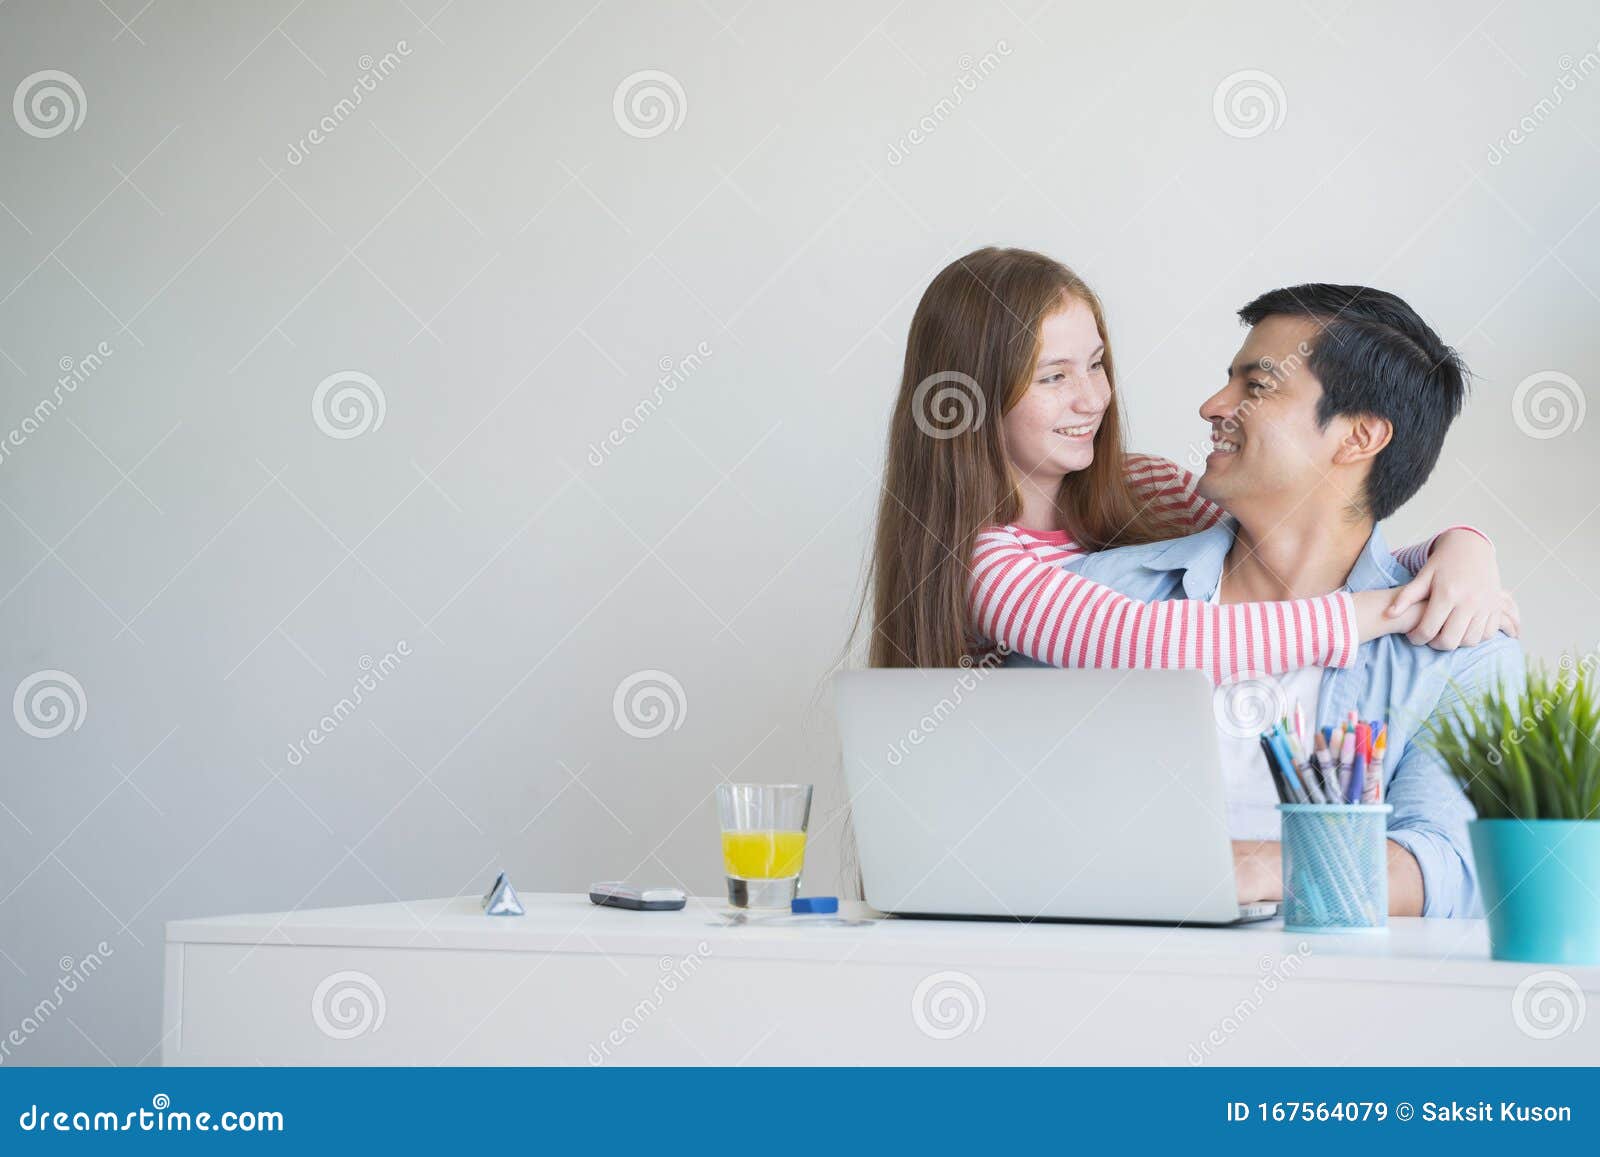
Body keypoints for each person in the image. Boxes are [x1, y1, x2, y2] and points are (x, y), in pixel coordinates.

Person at [1027, 282, 1525, 916]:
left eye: (1255, 386)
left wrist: (1256, 865)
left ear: (1358, 437)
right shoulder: (1095, 602)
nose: (1212, 405)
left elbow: (1450, 867)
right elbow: (1016, 817)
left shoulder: (1458, 648)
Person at [865, 247, 1516, 682]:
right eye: (1052, 377)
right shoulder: (988, 565)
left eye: (1096, 364)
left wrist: (1458, 550)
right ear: (968, 400)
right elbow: (1157, 646)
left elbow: (1295, 536)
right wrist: (1390, 610)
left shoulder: (1144, 486)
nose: (1092, 397)